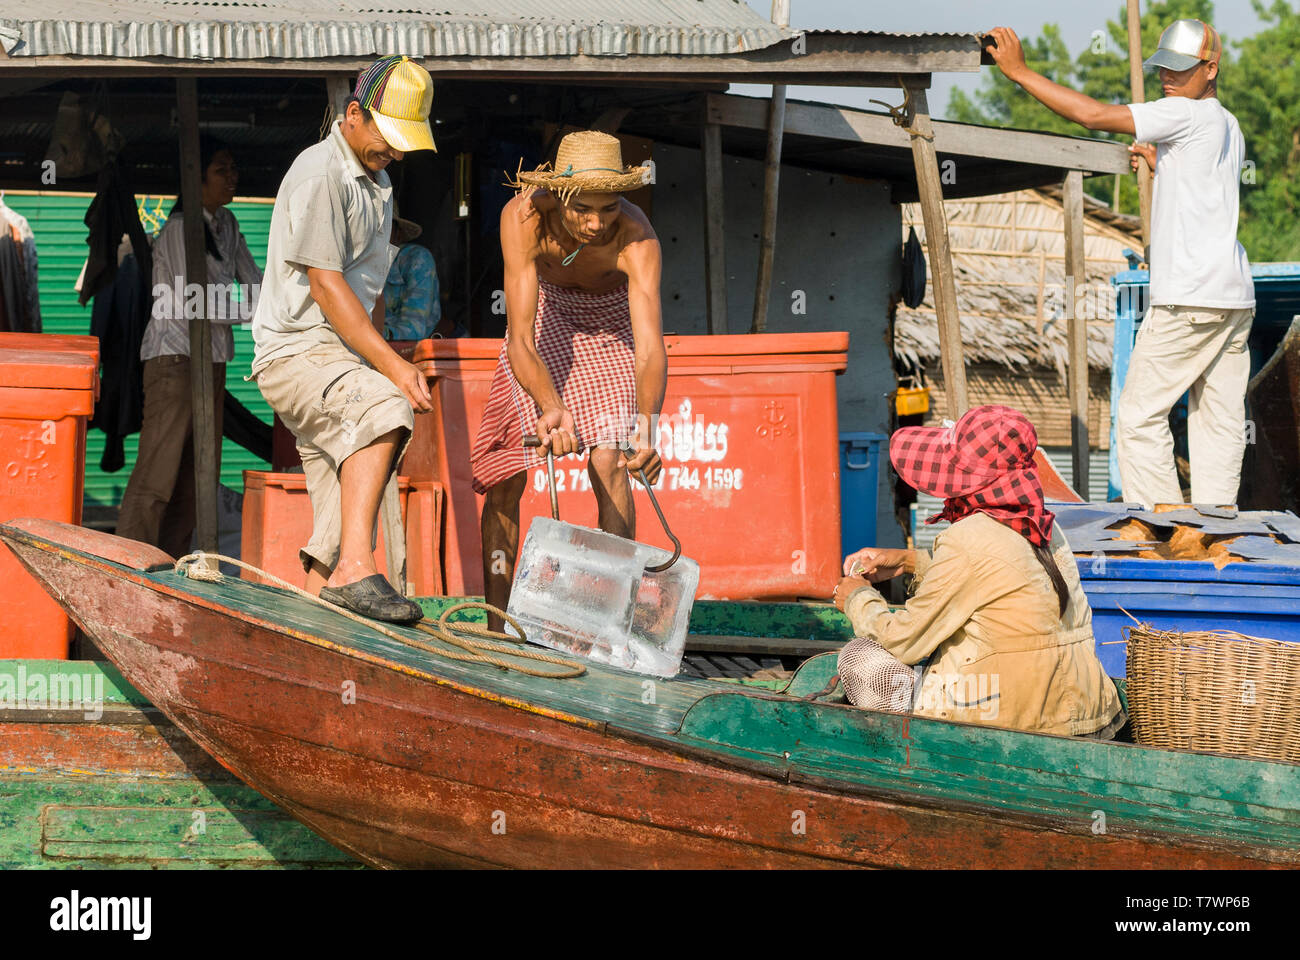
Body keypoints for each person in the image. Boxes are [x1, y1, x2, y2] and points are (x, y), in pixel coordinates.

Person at [986, 20, 1255, 508]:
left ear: (1210, 69)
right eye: (1163, 69)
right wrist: (1159, 162)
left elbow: (1091, 115)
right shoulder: (1227, 126)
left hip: (1188, 298)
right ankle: (1218, 527)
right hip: (1233, 298)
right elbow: (1201, 195)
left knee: (1137, 416)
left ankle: (1166, 526)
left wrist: (1020, 72)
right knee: (1218, 421)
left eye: (1180, 70)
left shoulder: (1185, 116)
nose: (1167, 78)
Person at [250, 55, 436, 624]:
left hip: (338, 361)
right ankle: (359, 566)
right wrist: (395, 372)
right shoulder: (319, 173)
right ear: (354, 113)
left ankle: (307, 641)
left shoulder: (376, 185)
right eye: (389, 137)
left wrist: (380, 359)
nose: (396, 153)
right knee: (386, 406)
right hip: (296, 353)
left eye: (405, 143)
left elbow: (368, 296)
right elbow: (329, 290)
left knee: (339, 511)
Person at [834, 405, 1126, 739]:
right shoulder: (1042, 523)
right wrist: (906, 562)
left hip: (1011, 719)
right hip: (1088, 710)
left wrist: (857, 598)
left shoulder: (967, 538)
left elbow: (903, 641)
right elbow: (1000, 574)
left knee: (860, 656)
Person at [470, 130, 666, 625]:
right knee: (508, 471)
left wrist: (647, 424)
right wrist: (550, 404)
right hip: (545, 322)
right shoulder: (522, 218)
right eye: (582, 208)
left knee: (608, 458)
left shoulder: (637, 237)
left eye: (610, 208)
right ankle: (498, 623)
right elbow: (519, 338)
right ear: (557, 194)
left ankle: (616, 621)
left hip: (611, 326)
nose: (597, 223)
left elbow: (648, 350)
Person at [116, 137, 261, 558]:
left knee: (197, 479)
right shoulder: (181, 227)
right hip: (174, 359)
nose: (232, 177)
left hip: (211, 362)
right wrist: (260, 308)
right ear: (196, 179)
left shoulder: (227, 224)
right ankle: (127, 568)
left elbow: (255, 280)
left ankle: (171, 570)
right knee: (157, 476)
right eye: (221, 170)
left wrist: (264, 302)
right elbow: (195, 302)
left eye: (233, 168)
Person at [383, 212, 441, 341]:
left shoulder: (416, 259)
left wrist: (371, 334)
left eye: (383, 227)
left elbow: (414, 329)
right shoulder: (352, 262)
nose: (375, 235)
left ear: (397, 235)